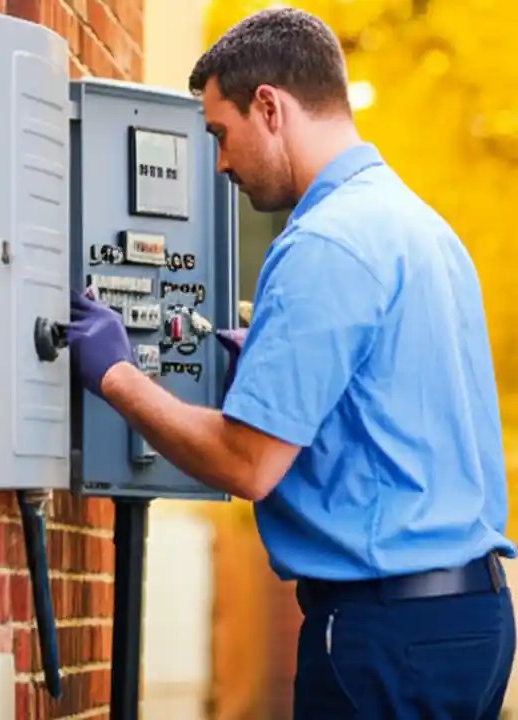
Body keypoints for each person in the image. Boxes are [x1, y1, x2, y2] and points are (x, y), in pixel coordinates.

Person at [67, 8, 515, 718]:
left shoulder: (324, 244)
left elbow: (248, 464)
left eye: (220, 133)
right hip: (471, 619)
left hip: (385, 632)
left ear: (269, 106)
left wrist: (116, 375)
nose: (218, 162)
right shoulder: (421, 229)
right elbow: (392, 405)